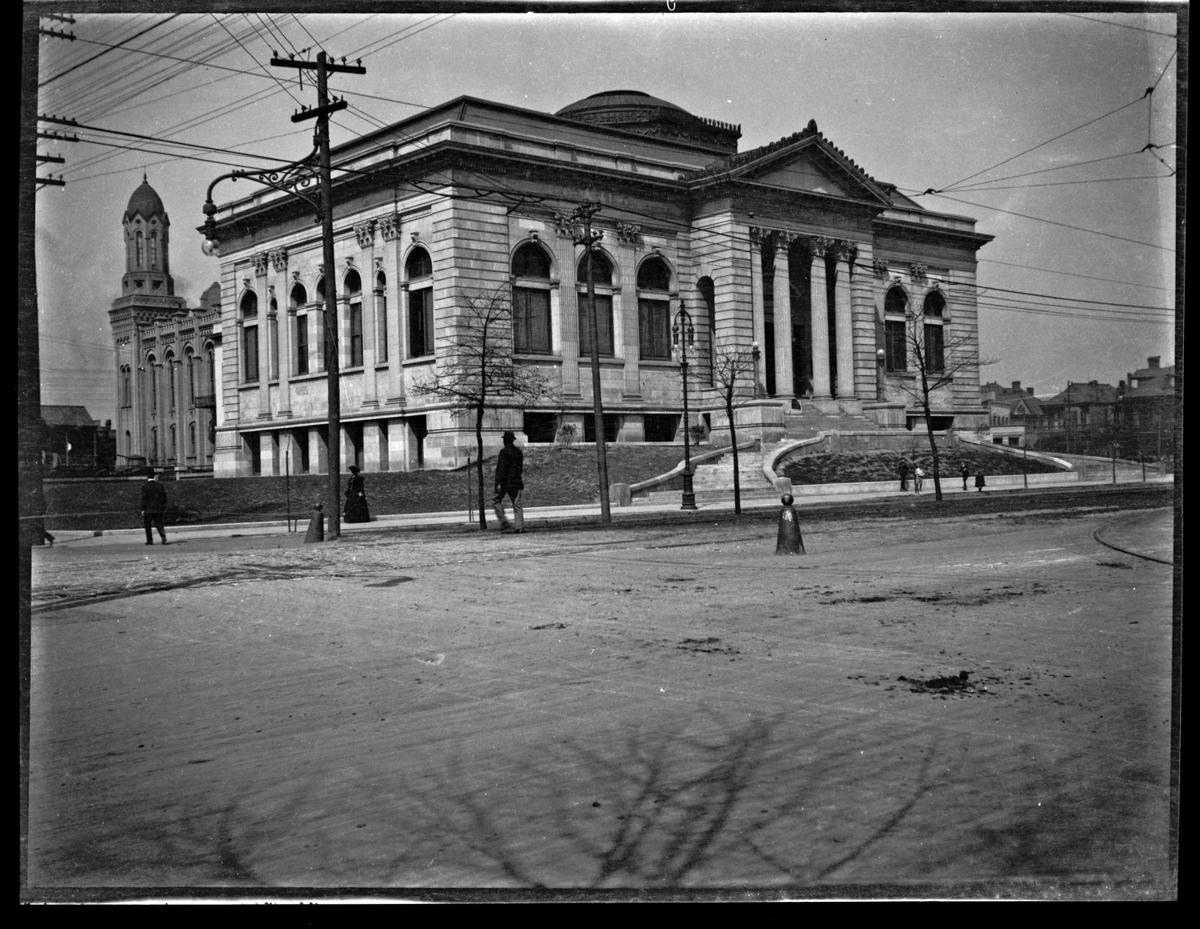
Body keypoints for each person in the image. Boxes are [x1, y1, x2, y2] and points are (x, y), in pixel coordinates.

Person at [493, 430, 525, 533]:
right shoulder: (519, 452)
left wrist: (498, 482)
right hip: (516, 482)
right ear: (512, 440)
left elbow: (501, 469)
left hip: (504, 483)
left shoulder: (503, 453)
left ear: (505, 441)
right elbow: (519, 469)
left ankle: (504, 522)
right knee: (517, 505)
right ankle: (519, 527)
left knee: (496, 501)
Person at [140, 471, 168, 545]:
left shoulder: (144, 486)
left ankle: (150, 540)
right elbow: (164, 497)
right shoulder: (159, 485)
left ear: (147, 477)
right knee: (159, 523)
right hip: (158, 508)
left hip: (148, 508)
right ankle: (163, 537)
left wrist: (143, 509)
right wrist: (163, 505)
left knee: (147, 525)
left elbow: (144, 498)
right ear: (154, 477)